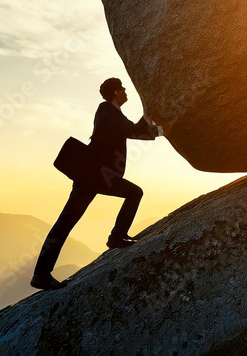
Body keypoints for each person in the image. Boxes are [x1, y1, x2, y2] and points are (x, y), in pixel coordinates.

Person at [30, 77, 160, 290]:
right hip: (99, 176)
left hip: (93, 176)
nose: (126, 92)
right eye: (123, 89)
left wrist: (147, 119)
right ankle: (117, 236)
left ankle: (41, 274)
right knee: (134, 193)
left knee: (66, 221)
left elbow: (130, 129)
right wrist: (159, 129)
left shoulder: (108, 113)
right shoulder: (109, 112)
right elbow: (131, 131)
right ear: (116, 92)